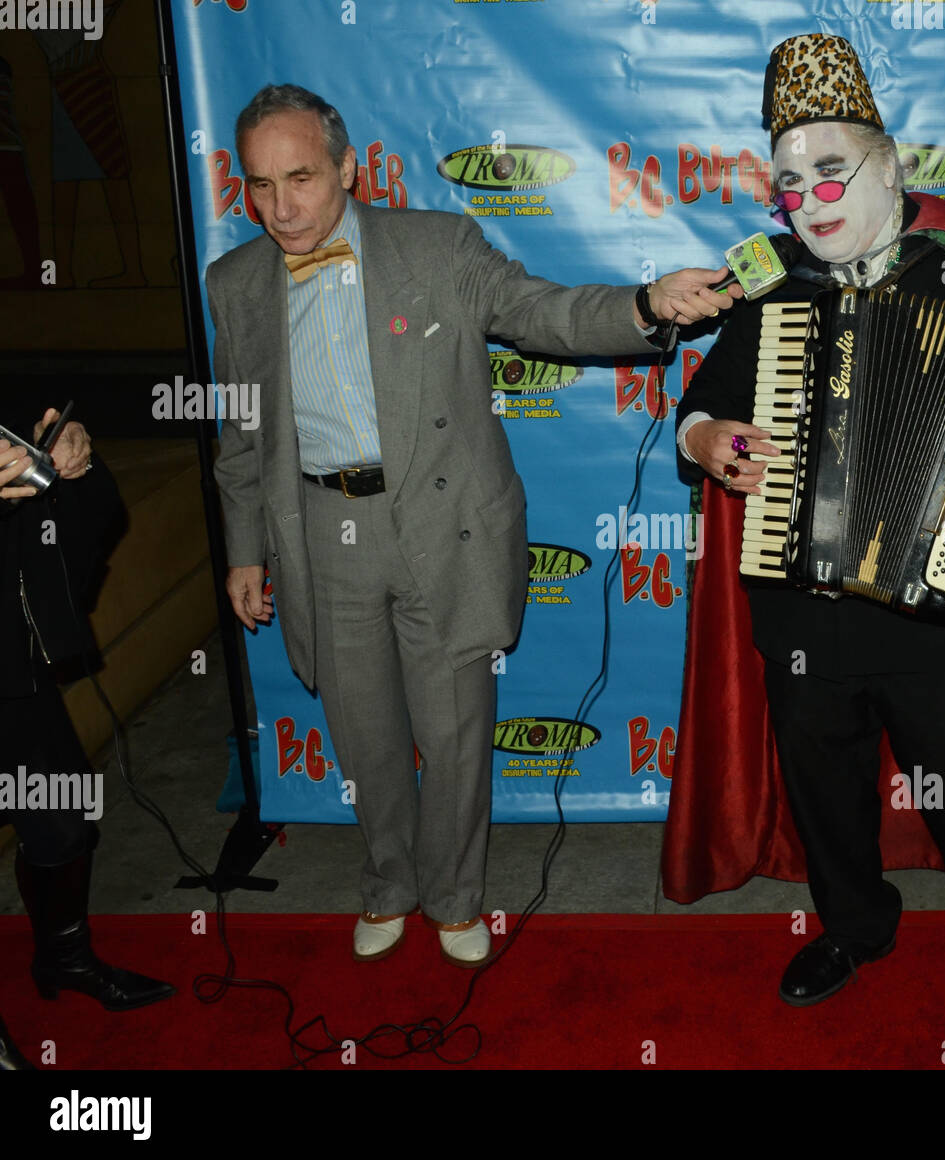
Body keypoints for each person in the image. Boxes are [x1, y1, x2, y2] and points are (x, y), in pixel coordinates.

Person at [209, 84, 739, 968]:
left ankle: (455, 897)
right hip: (319, 532)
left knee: (455, 732)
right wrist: (241, 551)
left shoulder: (436, 246)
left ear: (347, 167)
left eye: (300, 178)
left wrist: (645, 307)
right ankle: (388, 883)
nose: (281, 208)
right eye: (260, 185)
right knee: (364, 736)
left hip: (440, 523)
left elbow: (540, 311)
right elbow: (242, 436)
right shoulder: (235, 286)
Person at [665, 34, 945, 1068]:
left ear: (889, 164)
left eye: (829, 170)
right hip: (806, 618)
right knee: (828, 794)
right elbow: (699, 414)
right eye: (786, 182)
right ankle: (855, 923)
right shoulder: (766, 290)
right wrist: (710, 442)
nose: (808, 198)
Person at [1, 408, 175, 1072]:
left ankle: (65, 958)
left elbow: (82, 517)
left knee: (63, 827)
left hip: (15, 674)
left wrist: (72, 455)